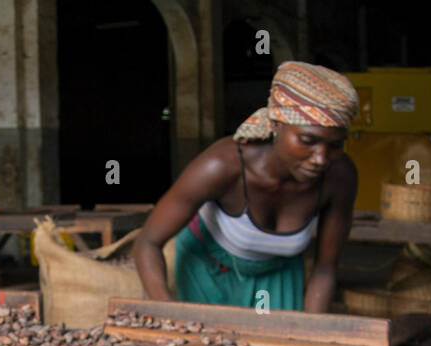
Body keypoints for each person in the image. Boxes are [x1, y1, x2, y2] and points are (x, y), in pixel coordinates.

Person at [134, 61, 359, 313]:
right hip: (209, 269)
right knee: (208, 345)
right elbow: (148, 242)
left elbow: (325, 269)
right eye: (308, 141)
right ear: (276, 125)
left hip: (279, 273)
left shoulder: (339, 177)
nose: (321, 158)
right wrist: (167, 312)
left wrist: (311, 333)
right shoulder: (222, 165)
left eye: (335, 145)